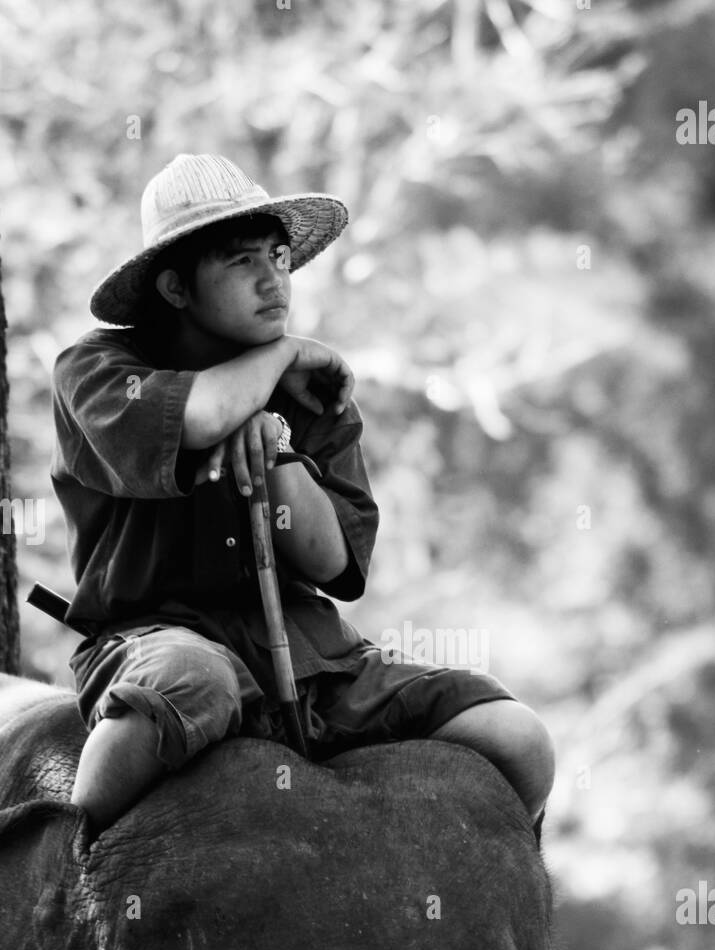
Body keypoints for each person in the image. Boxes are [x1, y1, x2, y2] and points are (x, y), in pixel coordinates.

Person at [51, 153, 554, 843]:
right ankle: (71, 870)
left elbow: (331, 563)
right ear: (174, 287)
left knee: (517, 737)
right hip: (157, 643)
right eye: (241, 262)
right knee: (190, 684)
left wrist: (278, 447)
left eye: (279, 257)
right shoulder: (98, 369)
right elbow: (199, 418)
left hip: (315, 659)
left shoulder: (314, 400)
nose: (272, 281)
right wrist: (280, 359)